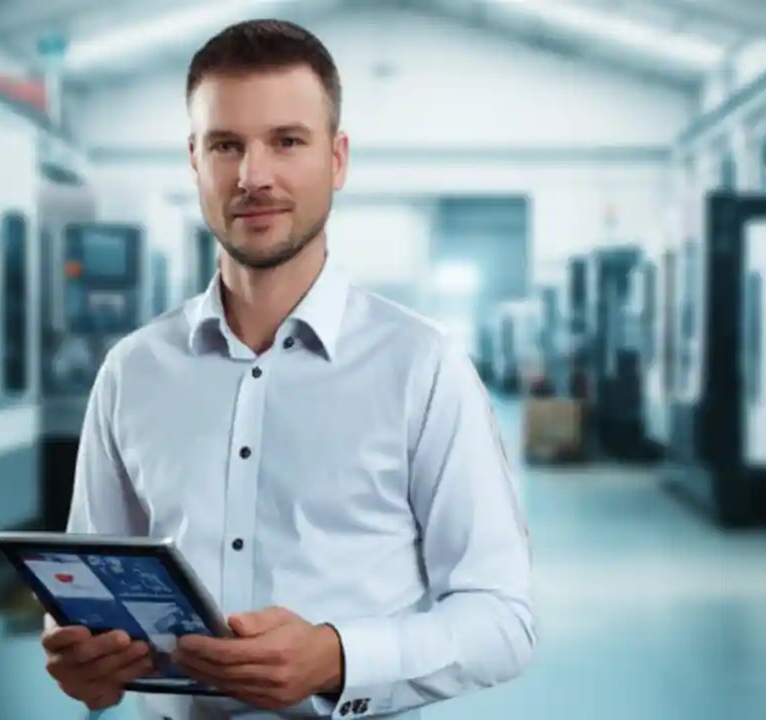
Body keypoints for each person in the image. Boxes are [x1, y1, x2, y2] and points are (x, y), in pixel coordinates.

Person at [39, 18, 536, 720]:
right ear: (194, 160)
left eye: (287, 141)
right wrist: (76, 655)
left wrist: (337, 656)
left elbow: (502, 621)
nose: (254, 176)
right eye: (226, 145)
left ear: (337, 160)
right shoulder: (132, 371)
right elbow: (82, 599)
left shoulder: (422, 366)